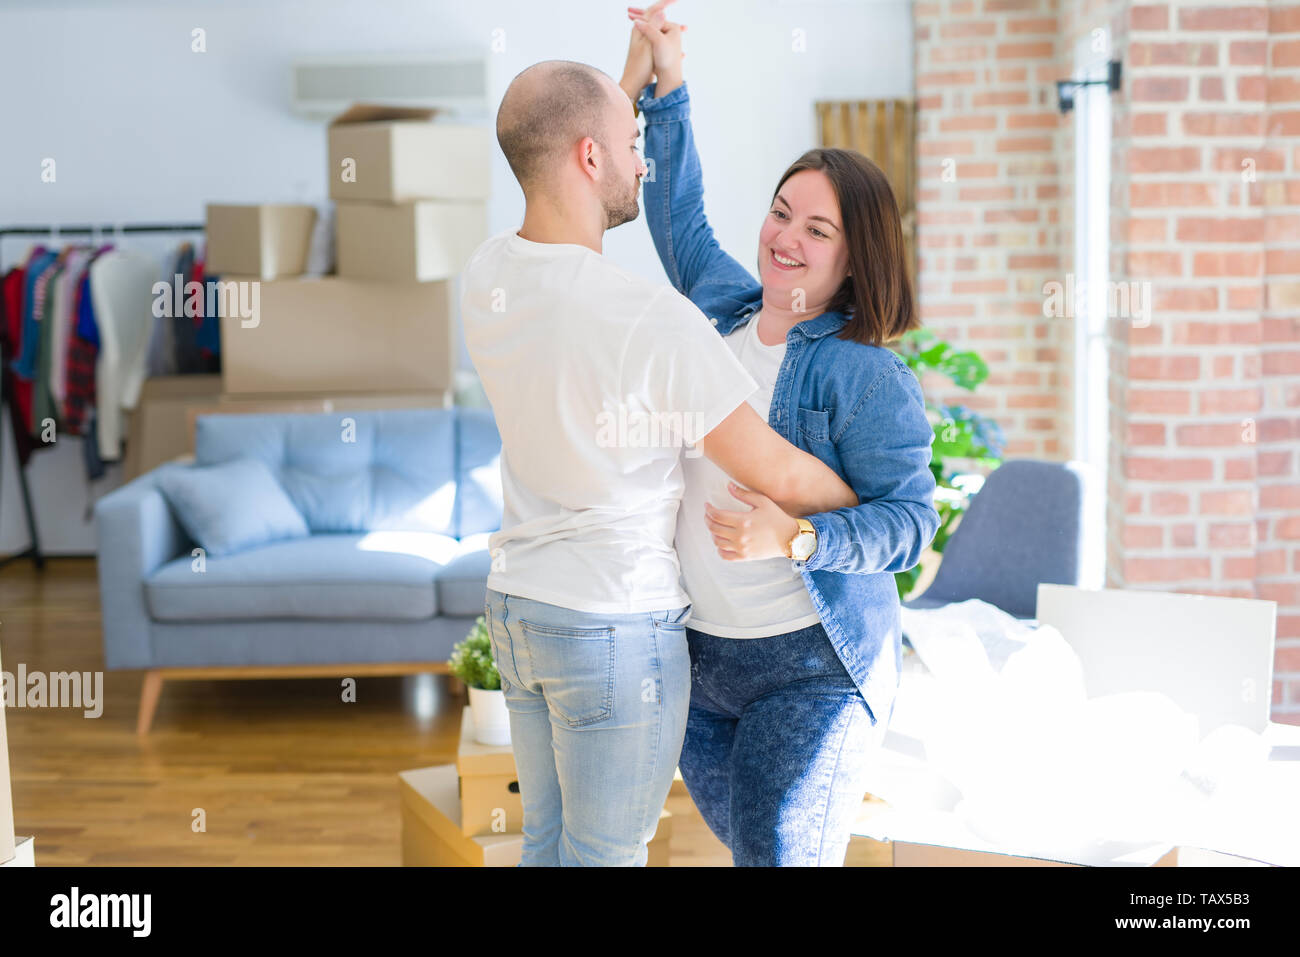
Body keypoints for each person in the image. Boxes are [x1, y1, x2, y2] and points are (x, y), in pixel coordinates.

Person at [460, 58, 859, 866]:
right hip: (612, 625)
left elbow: (555, 125)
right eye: (634, 142)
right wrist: (868, 501)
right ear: (590, 156)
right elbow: (775, 471)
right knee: (605, 853)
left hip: (519, 609)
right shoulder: (648, 319)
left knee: (547, 844)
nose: (644, 160)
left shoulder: (487, 273)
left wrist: (633, 81)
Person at [622, 5, 941, 865]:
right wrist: (670, 82)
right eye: (780, 213)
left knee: (776, 854)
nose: (785, 238)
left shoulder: (867, 375)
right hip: (702, 666)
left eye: (818, 229)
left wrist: (797, 536)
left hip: (813, 669)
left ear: (853, 258)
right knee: (754, 848)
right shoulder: (721, 314)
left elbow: (911, 523)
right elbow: (679, 215)